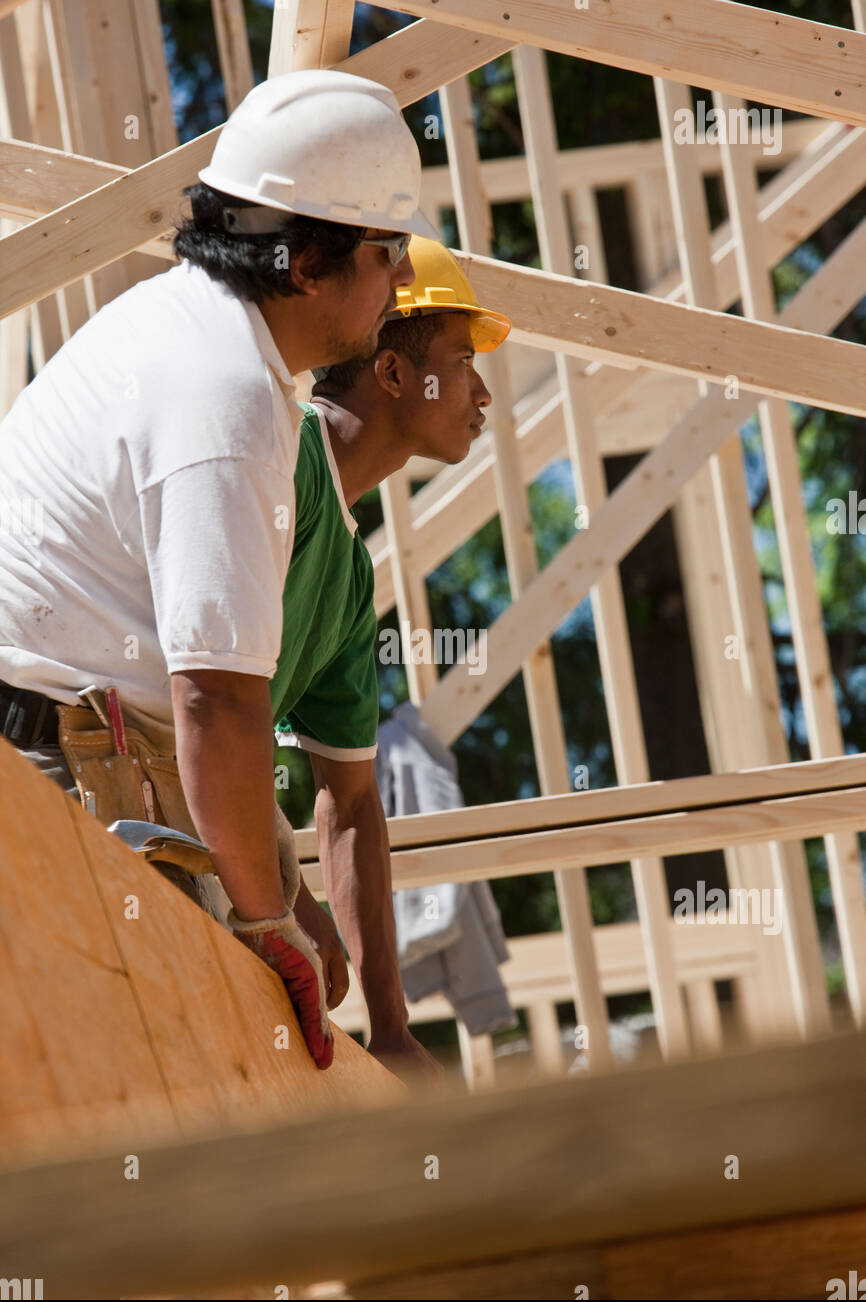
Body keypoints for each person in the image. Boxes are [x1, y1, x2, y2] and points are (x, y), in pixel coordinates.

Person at [0, 70, 436, 1072]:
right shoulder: (226, 394)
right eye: (390, 250)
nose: (402, 281)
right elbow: (216, 706)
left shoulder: (192, 334)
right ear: (313, 261)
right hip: (45, 773)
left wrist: (274, 884)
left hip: (70, 754)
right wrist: (264, 916)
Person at [267, 235, 510, 1081]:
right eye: (460, 360)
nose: (483, 391)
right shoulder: (274, 459)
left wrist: (393, 1029)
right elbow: (188, 703)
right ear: (395, 373)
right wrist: (289, 902)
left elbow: (352, 801)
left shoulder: (344, 565)